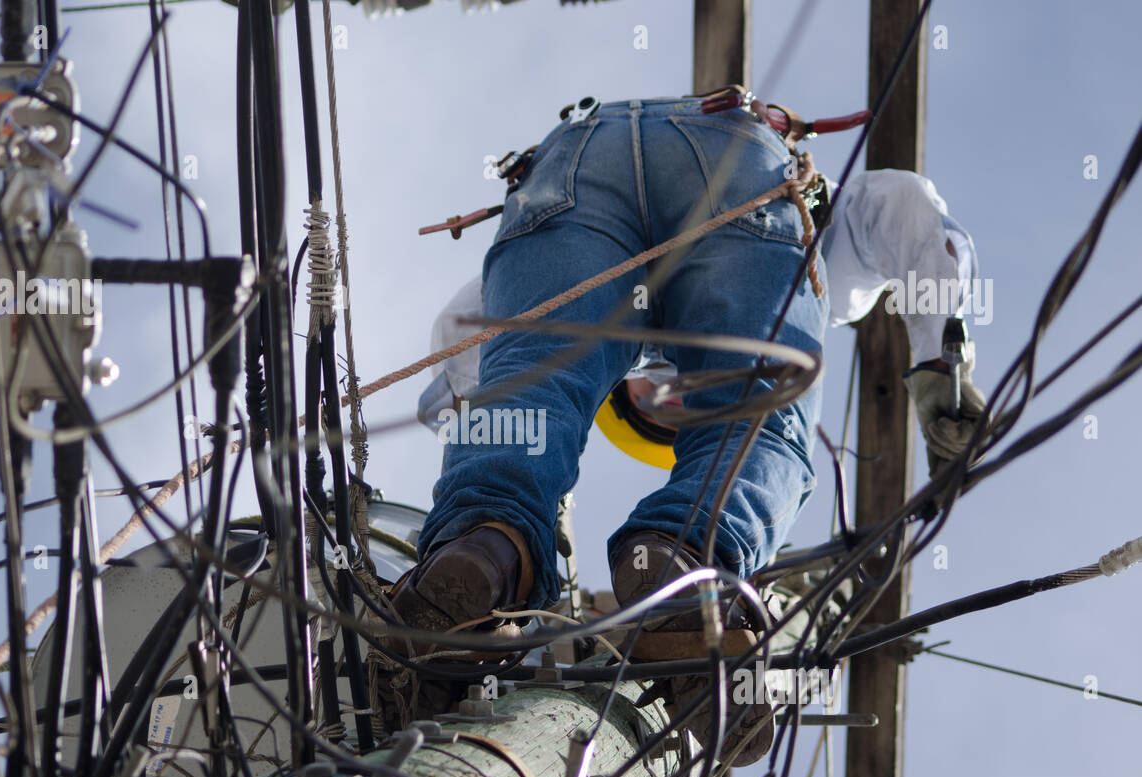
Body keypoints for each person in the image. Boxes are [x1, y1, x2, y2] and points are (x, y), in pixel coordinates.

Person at [392, 94, 987, 646]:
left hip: (568, 165)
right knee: (756, 408)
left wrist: (500, 489)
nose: (681, 392)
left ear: (625, 390)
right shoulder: (831, 262)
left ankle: (486, 547)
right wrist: (940, 359)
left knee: (527, 384)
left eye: (663, 408)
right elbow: (907, 209)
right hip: (731, 159)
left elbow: (465, 340)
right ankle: (683, 561)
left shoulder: (610, 308)